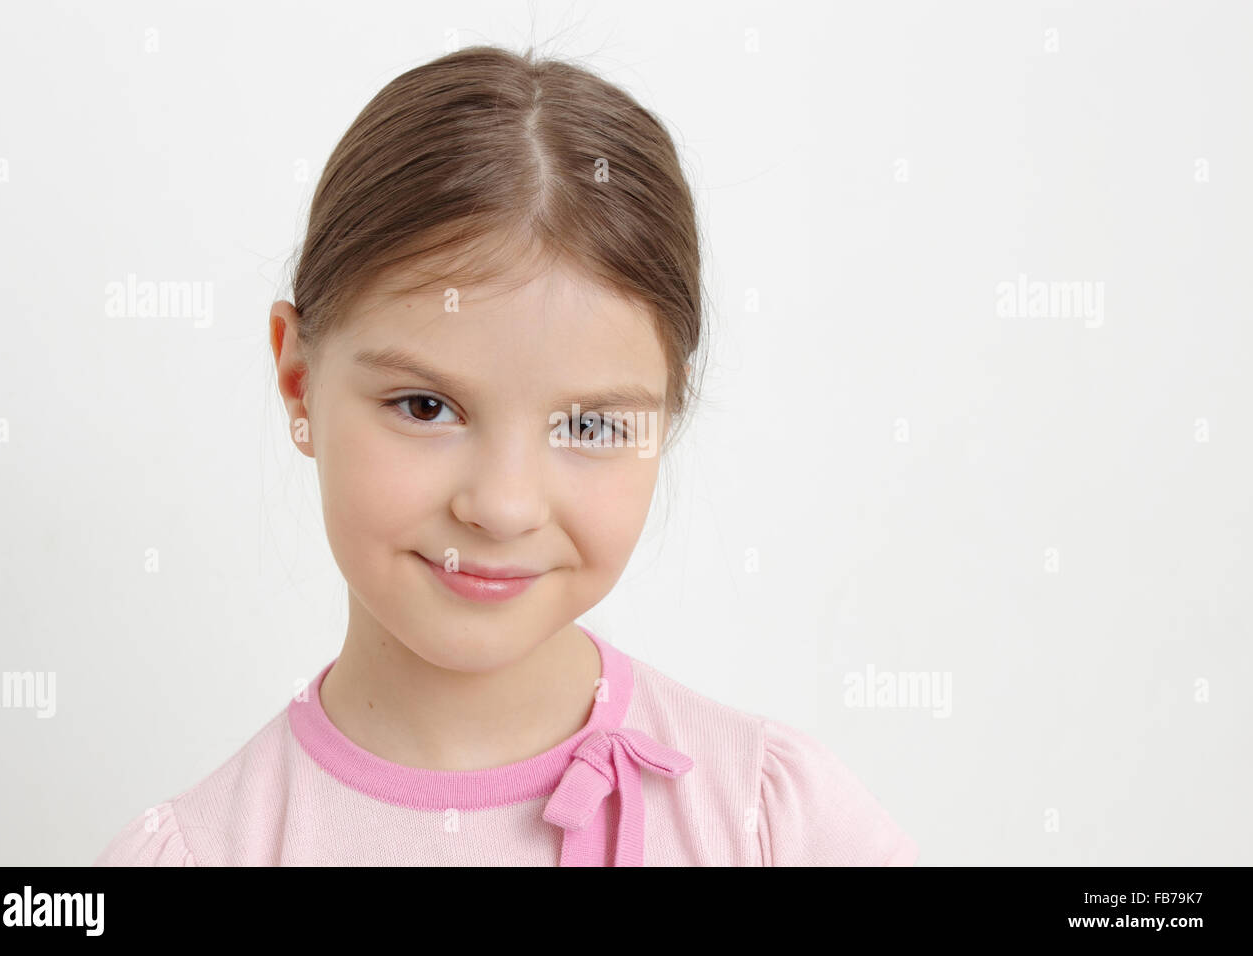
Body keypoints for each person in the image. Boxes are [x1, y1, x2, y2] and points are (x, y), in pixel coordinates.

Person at [94, 43, 918, 867]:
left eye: (590, 427)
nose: (503, 504)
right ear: (298, 377)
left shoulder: (773, 825)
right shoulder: (203, 854)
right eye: (426, 407)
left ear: (669, 413)